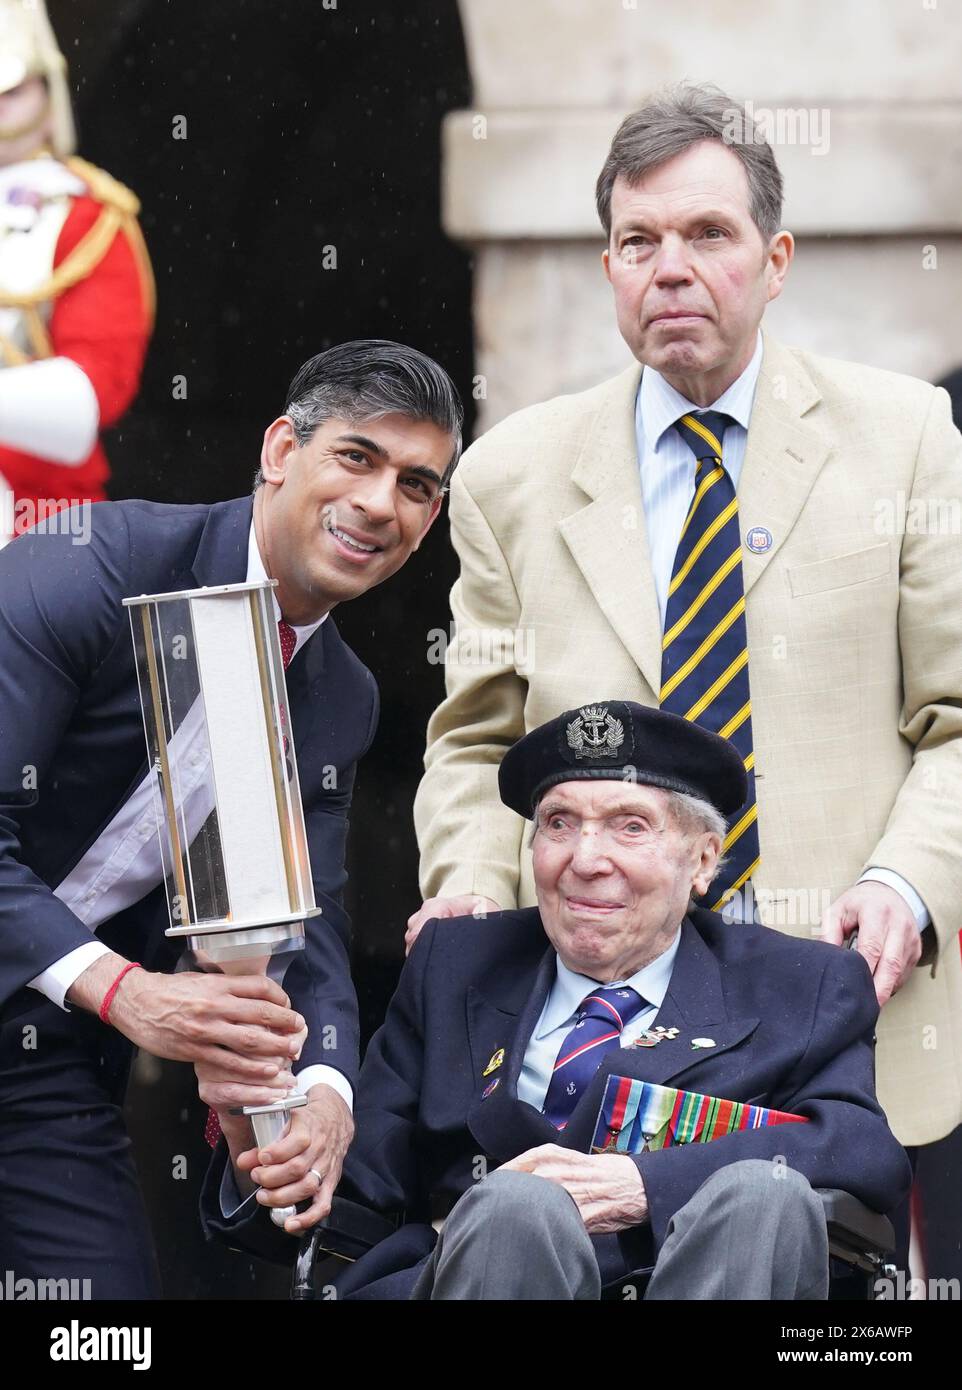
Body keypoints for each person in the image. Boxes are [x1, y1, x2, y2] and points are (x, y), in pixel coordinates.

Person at [408, 84, 962, 1205]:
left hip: (842, 996)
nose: (669, 267)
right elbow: (474, 745)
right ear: (607, 266)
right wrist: (466, 890)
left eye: (707, 234)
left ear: (774, 260)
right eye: (636, 240)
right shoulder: (509, 475)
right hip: (590, 1013)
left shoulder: (901, 437)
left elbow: (951, 718)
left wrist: (905, 883)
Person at [0, 338, 461, 1297]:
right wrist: (132, 993)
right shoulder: (86, 565)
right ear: (280, 449)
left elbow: (310, 921)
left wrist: (328, 1091)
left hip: (42, 1054)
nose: (383, 502)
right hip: (97, 996)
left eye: (419, 485)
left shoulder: (341, 693)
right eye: (357, 457)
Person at [203, 702, 910, 1299]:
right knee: (517, 1208)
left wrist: (644, 1183)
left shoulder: (798, 984)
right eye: (559, 822)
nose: (585, 857)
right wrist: (253, 1134)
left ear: (702, 862)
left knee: (765, 1195)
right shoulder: (457, 967)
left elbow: (861, 1153)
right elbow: (353, 1194)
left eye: (630, 826)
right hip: (487, 1277)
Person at [0, 0, 155, 545]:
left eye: (11, 93)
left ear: (47, 89)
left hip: (37, 512)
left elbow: (92, 393)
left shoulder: (89, 216)